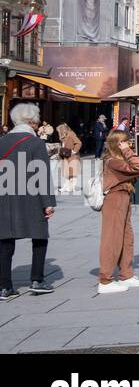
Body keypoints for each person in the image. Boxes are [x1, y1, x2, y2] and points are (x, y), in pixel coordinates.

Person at [0, 103, 57, 300]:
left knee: (5, 240)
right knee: (39, 236)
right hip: (31, 196)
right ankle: (37, 280)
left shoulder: (2, 141)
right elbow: (41, 174)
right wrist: (48, 203)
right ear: (32, 121)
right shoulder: (36, 143)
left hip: (5, 196)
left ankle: (5, 286)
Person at [98, 129, 139, 294]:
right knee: (112, 238)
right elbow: (138, 168)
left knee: (126, 237)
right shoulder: (112, 161)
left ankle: (126, 274)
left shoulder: (117, 160)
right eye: (126, 141)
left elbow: (136, 173)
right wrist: (127, 151)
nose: (130, 144)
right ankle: (105, 280)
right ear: (118, 144)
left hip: (123, 197)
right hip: (115, 198)